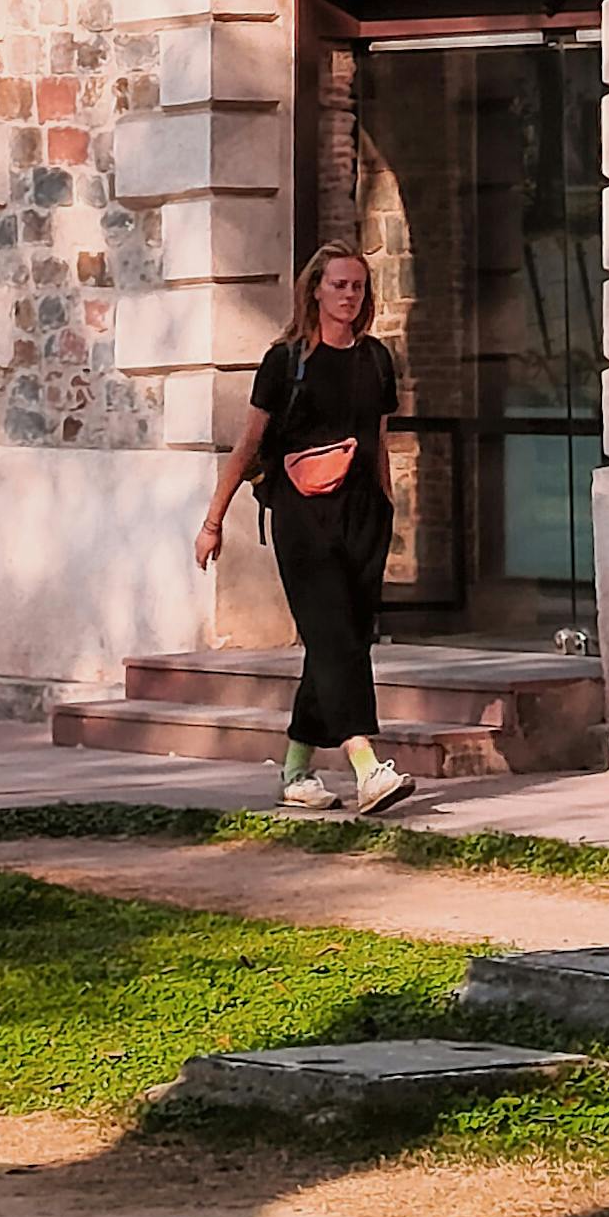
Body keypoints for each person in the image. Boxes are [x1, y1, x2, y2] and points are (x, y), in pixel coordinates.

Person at [194, 241, 412, 814]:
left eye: (358, 286)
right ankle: (367, 766)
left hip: (363, 515)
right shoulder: (284, 361)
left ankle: (295, 772)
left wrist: (387, 507)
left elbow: (379, 441)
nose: (348, 295)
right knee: (334, 636)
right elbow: (248, 446)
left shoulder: (376, 360)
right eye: (338, 285)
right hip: (301, 517)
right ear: (314, 289)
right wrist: (213, 521)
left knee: (340, 639)